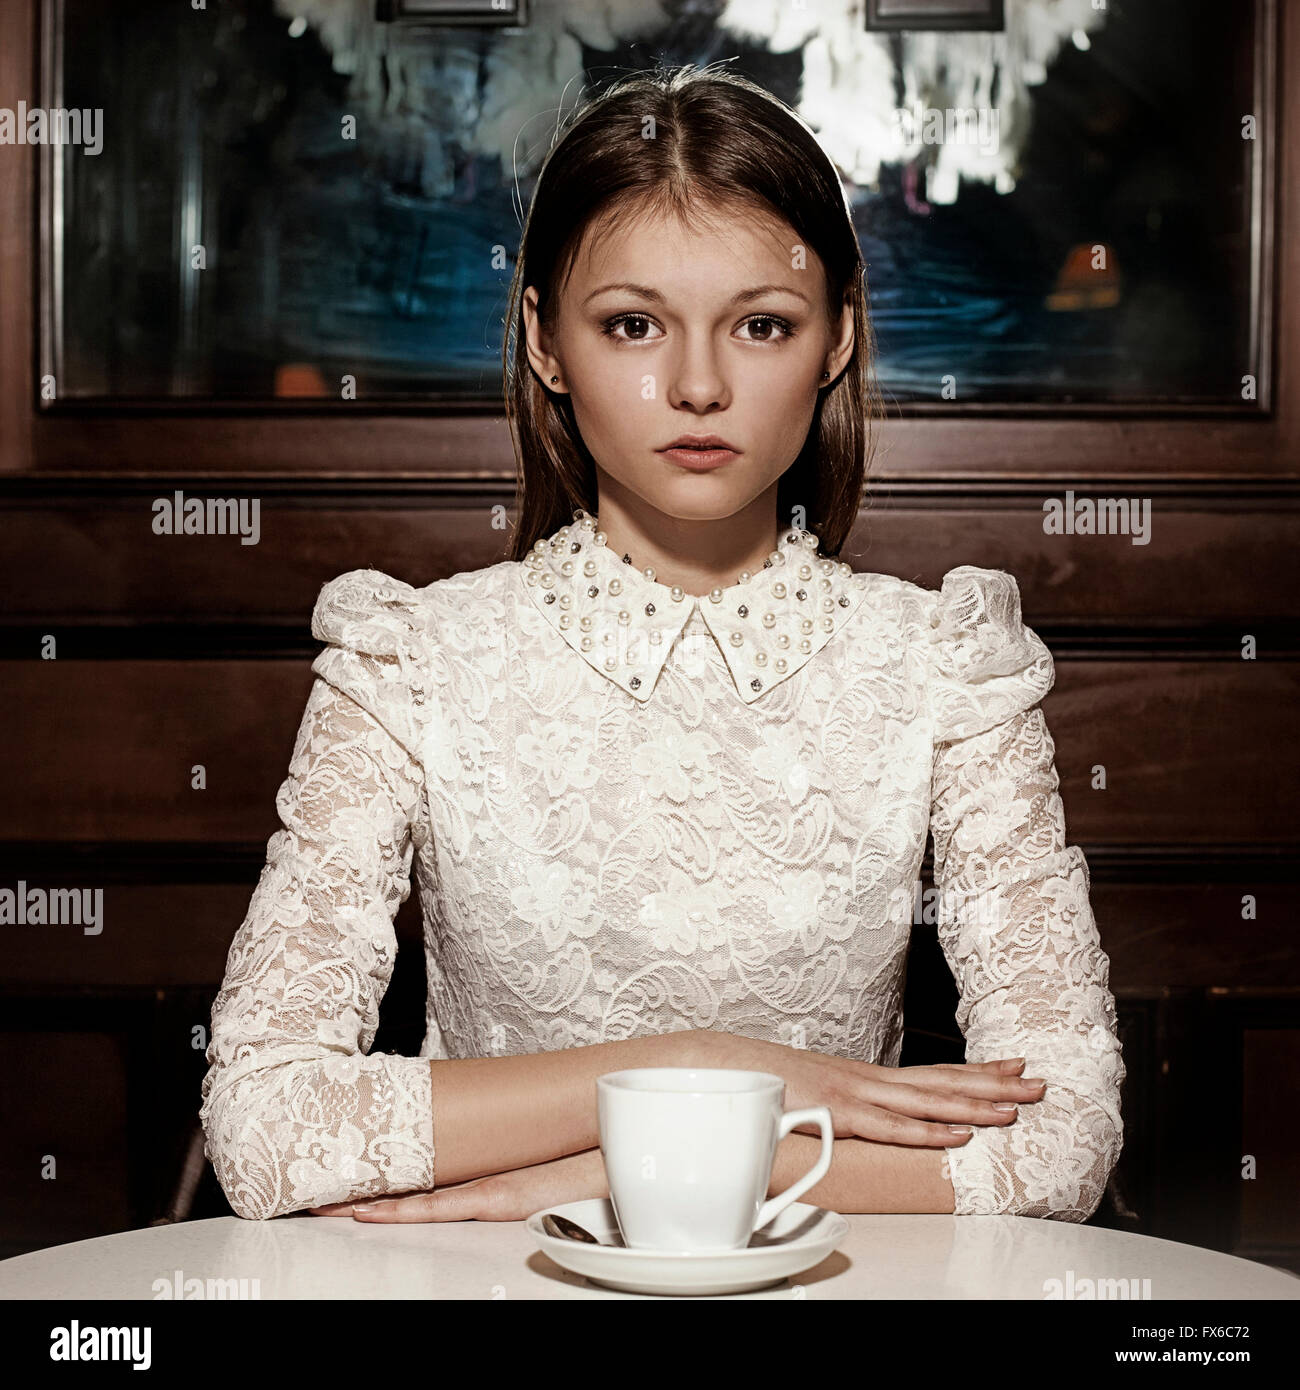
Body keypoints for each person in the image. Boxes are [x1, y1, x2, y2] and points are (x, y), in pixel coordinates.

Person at [199, 63, 1124, 1224]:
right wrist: (695, 1069)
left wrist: (624, 1162)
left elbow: (1062, 1144)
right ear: (543, 340)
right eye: (632, 324)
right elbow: (267, 1130)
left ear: (835, 336)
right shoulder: (412, 661)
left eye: (762, 324)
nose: (697, 385)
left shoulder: (945, 666)